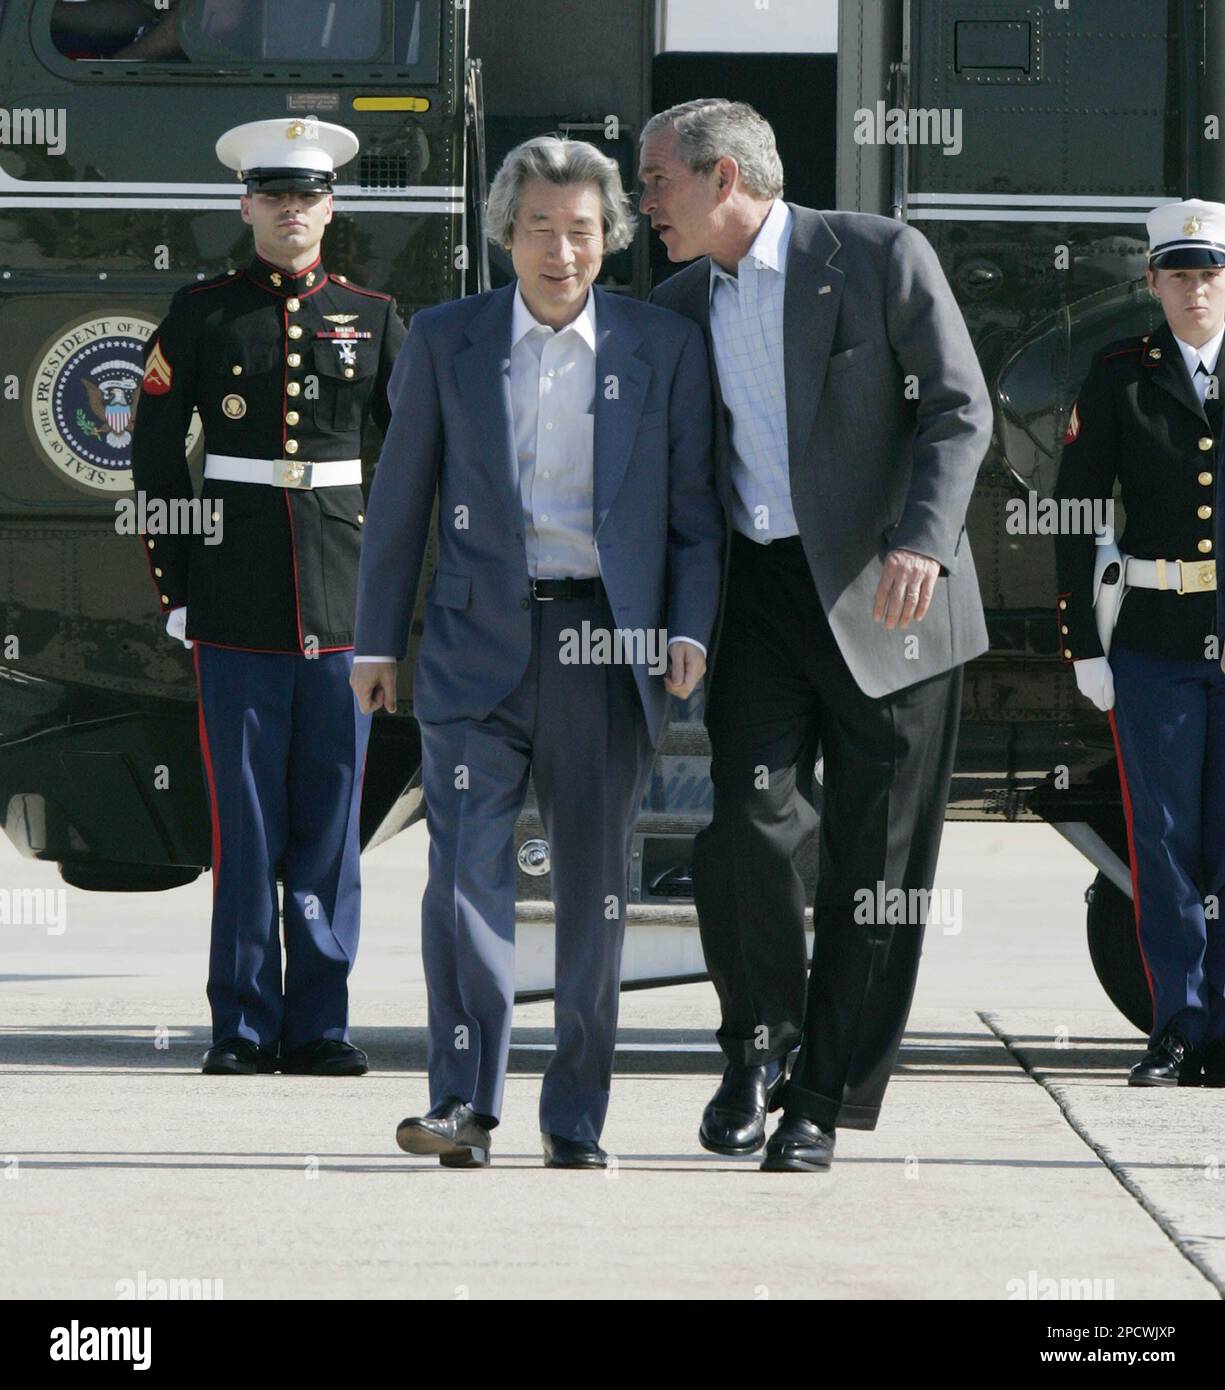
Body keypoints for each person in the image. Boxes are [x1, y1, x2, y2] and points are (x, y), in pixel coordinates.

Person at [351, 135, 722, 1169]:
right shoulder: (445, 339)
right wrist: (376, 641)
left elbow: (696, 511)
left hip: (608, 649)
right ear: (505, 236)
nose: (561, 250)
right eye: (539, 229)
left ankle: (576, 1116)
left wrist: (686, 626)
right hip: (475, 645)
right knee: (461, 877)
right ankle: (463, 1103)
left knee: (595, 891)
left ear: (608, 237)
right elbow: (399, 504)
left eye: (582, 229)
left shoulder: (661, 348)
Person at [639, 99, 992, 1172]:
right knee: (741, 828)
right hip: (758, 601)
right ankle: (756, 1042)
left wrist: (922, 542)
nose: (643, 200)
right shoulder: (678, 302)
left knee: (872, 869)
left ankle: (823, 1099)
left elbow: (958, 409)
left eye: (657, 178)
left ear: (723, 179)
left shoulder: (878, 255)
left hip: (892, 600)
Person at [130, 118, 405, 1076]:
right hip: (236, 595)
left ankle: (319, 1024)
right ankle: (241, 1025)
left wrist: (400, 599)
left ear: (331, 207)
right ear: (245, 205)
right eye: (274, 196)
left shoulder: (371, 315)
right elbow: (157, 450)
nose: (293, 211)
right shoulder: (201, 312)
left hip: (344, 599)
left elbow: (411, 462)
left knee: (330, 826)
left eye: (309, 196)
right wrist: (177, 581)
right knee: (242, 826)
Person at [1054, 198, 1225, 1089]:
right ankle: (1178, 1027)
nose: (1195, 290)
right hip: (1154, 643)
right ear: (1151, 281)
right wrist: (1083, 642)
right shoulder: (1120, 373)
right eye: (1179, 275)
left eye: (1209, 274)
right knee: (1159, 841)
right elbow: (1076, 515)